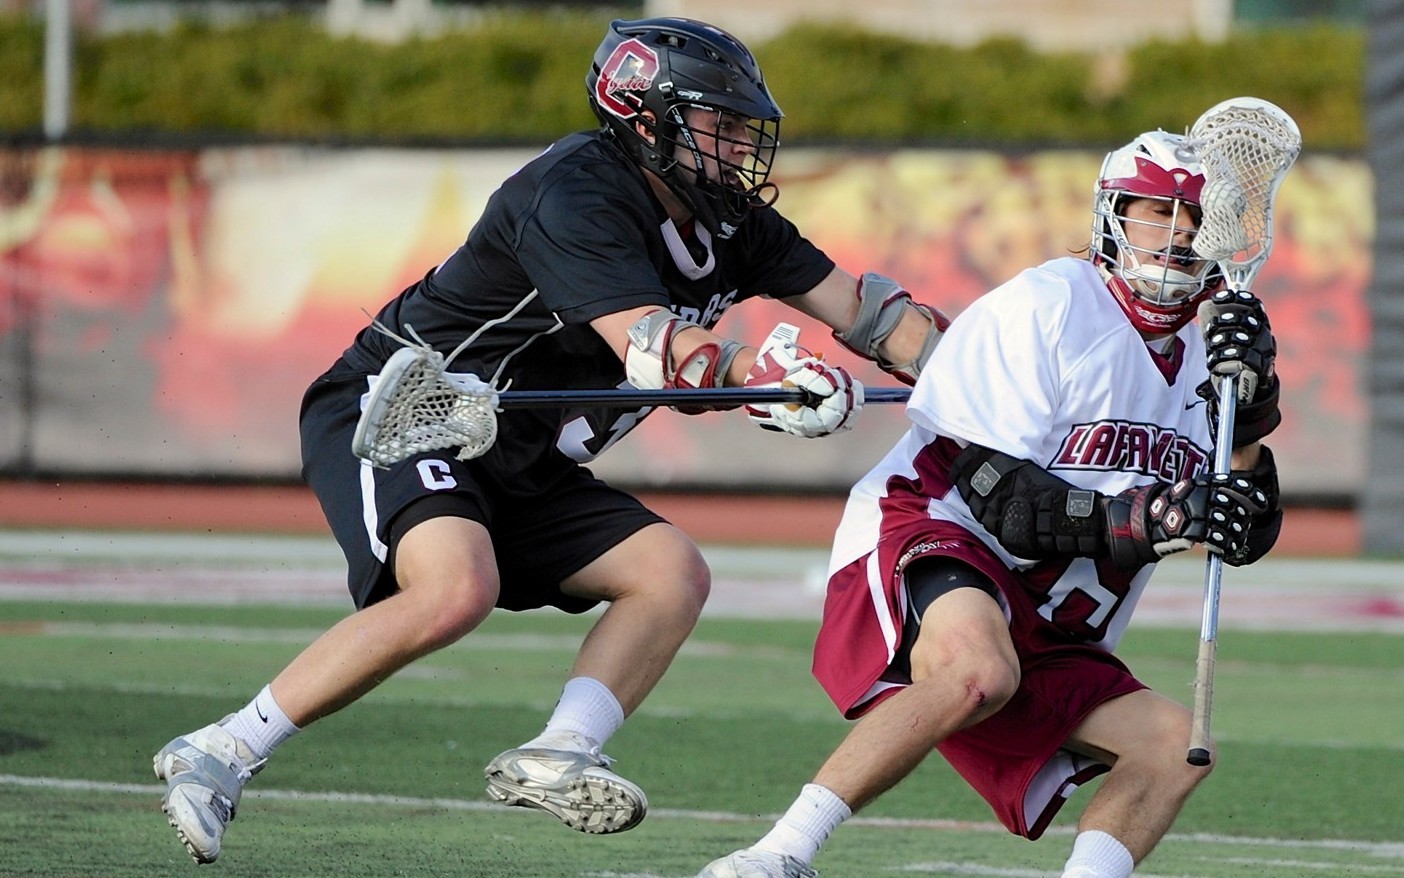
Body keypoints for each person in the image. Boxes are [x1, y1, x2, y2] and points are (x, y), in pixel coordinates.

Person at [150, 16, 948, 866]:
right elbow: (657, 350)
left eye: (744, 125)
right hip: (409, 409)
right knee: (455, 589)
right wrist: (773, 375)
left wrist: (983, 370)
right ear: (645, 117)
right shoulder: (575, 192)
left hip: (522, 449)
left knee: (668, 572)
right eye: (720, 122)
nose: (740, 144)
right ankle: (222, 749)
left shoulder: (729, 221)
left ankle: (560, 750)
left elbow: (869, 316)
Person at [695, 127, 1285, 878]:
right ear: (1113, 215)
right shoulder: (1047, 305)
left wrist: (1253, 403)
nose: (1175, 236)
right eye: (1155, 212)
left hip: (1055, 610)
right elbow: (1000, 499)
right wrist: (1151, 518)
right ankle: (776, 855)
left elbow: (1247, 527)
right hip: (941, 526)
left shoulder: (1215, 352)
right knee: (979, 670)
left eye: (1195, 220)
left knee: (1177, 744)